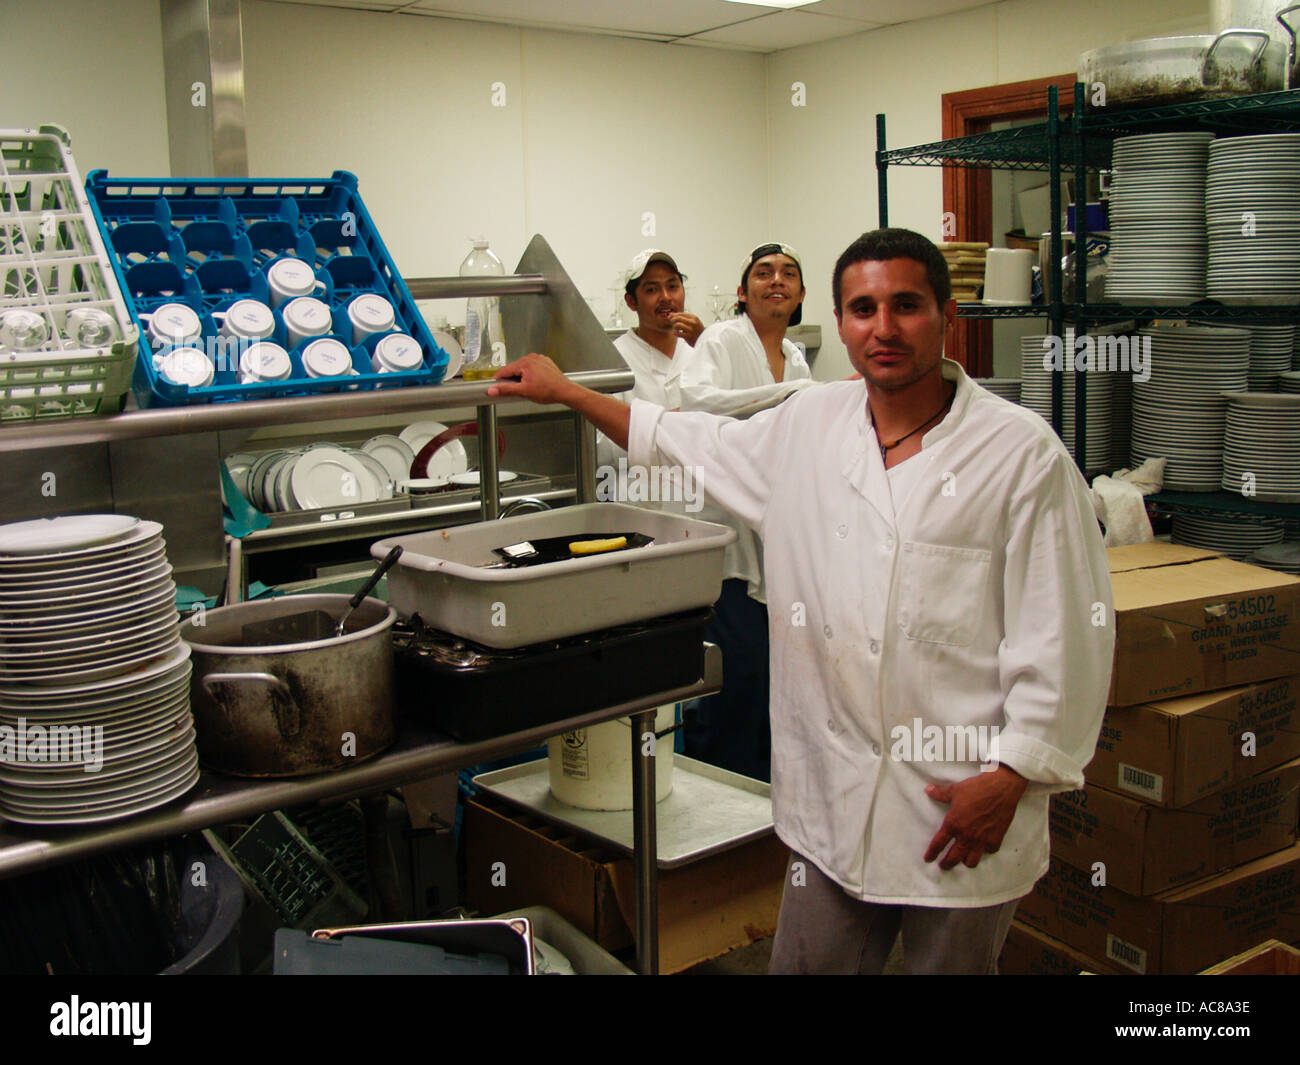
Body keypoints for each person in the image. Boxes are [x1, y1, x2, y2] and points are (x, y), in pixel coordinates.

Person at [488, 227, 1114, 975]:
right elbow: (689, 438)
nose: (883, 328)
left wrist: (1014, 775)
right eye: (862, 308)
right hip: (834, 801)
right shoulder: (808, 427)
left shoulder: (1019, 455)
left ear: (948, 313)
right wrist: (566, 391)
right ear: (842, 321)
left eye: (906, 305)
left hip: (962, 805)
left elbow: (1069, 631)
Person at [677, 243, 818, 781]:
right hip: (728, 543)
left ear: (801, 295)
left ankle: (762, 792)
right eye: (763, 274)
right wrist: (794, 394)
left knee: (769, 677)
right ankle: (722, 792)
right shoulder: (722, 339)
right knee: (735, 674)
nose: (775, 281)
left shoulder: (797, 356)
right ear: (743, 293)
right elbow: (697, 402)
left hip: (778, 542)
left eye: (788, 274)